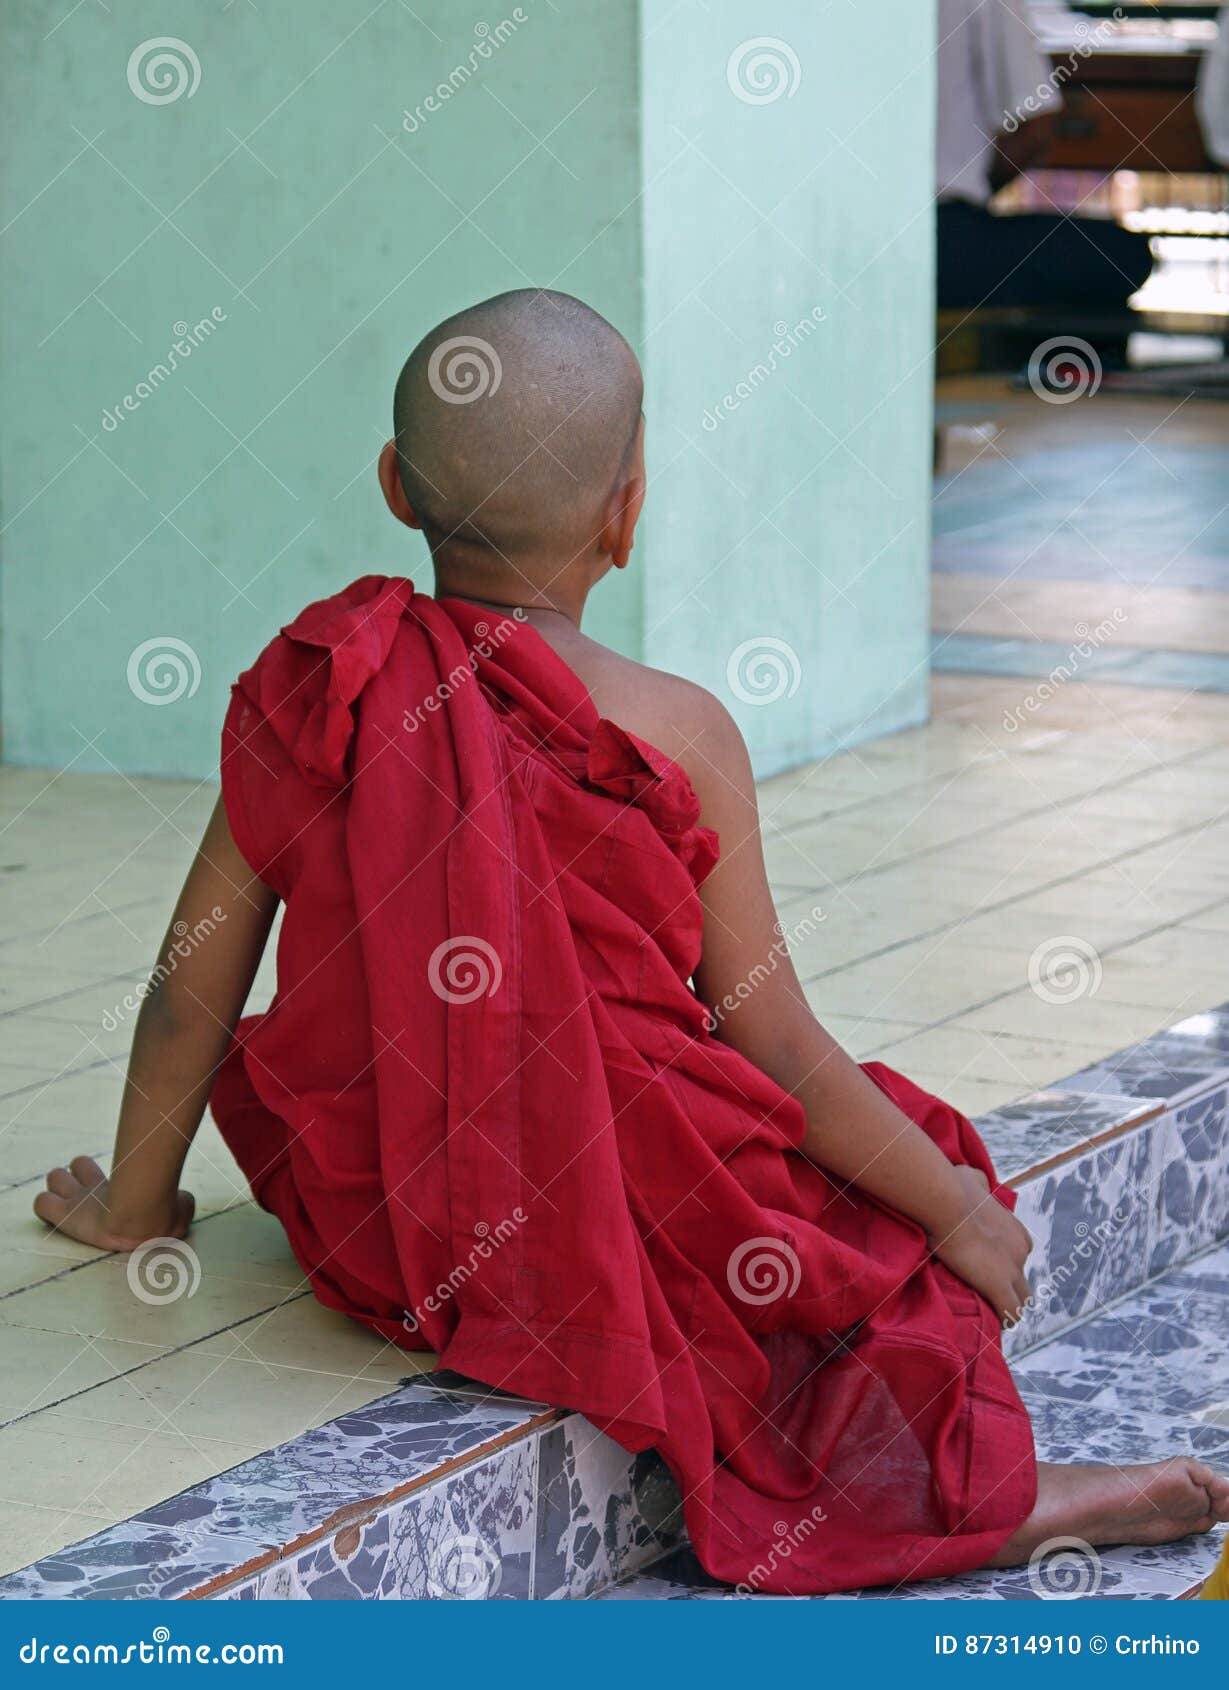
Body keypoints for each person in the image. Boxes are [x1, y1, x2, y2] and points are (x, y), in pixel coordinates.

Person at [34, 291, 1228, 1595]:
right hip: (620, 1215)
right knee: (876, 1205)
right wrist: (949, 1206)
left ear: (394, 485)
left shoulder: (326, 688)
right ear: (628, 509)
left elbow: (190, 986)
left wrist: (136, 1204)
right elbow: (777, 1044)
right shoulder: (681, 730)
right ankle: (972, 1498)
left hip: (392, 1234)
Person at [936, 0, 1153, 311]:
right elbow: (1034, 131)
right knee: (1124, 256)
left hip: (869, 234)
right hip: (946, 240)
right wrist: (972, 183)